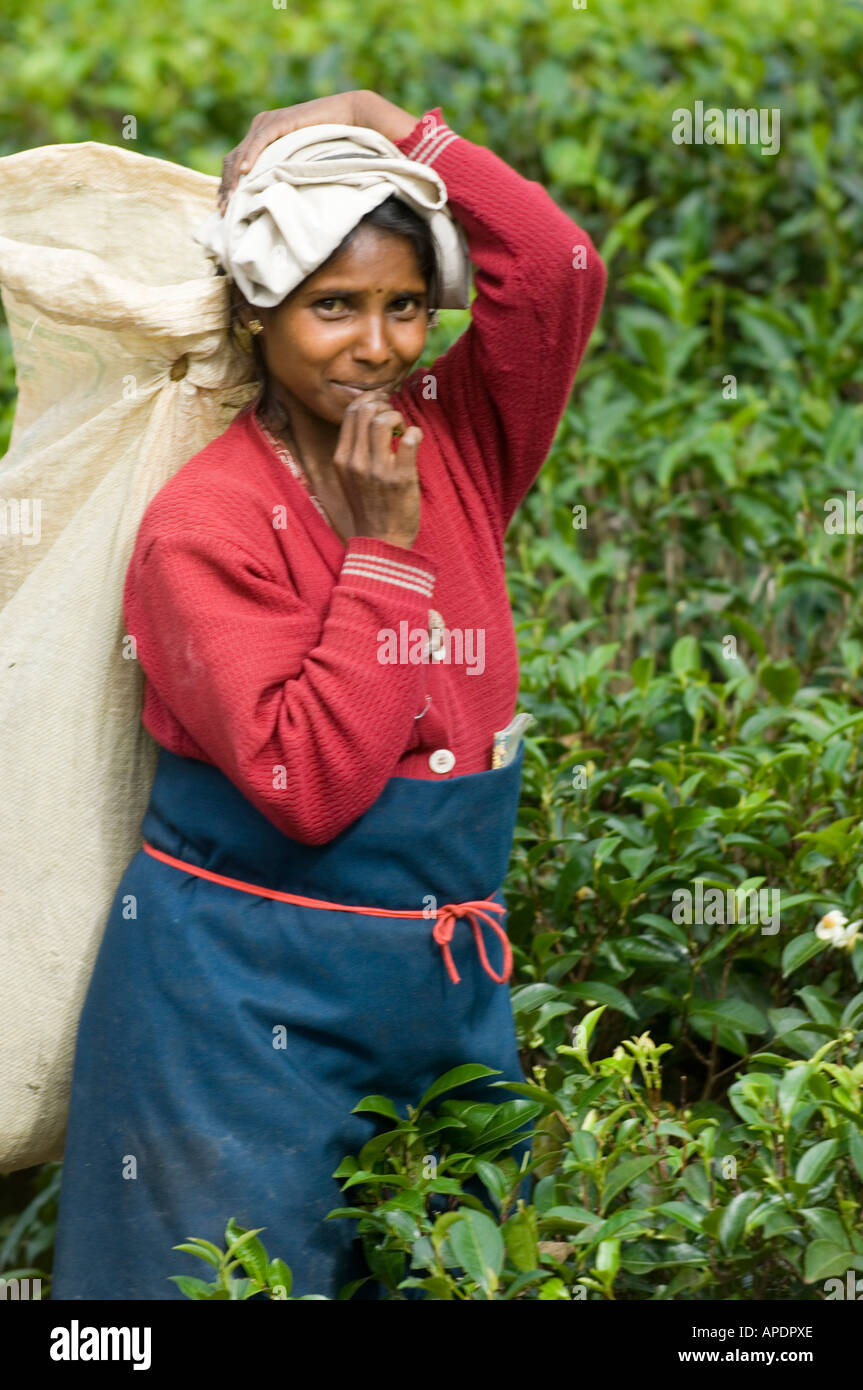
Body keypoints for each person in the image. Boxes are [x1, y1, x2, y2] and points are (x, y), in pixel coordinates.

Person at [50, 89, 606, 1301]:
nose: (378, 348)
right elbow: (307, 786)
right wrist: (384, 553)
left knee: (463, 1273)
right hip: (235, 1008)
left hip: (439, 987)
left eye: (405, 306)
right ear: (256, 313)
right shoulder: (198, 527)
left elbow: (558, 267)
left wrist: (388, 123)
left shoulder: (448, 437)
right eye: (332, 307)